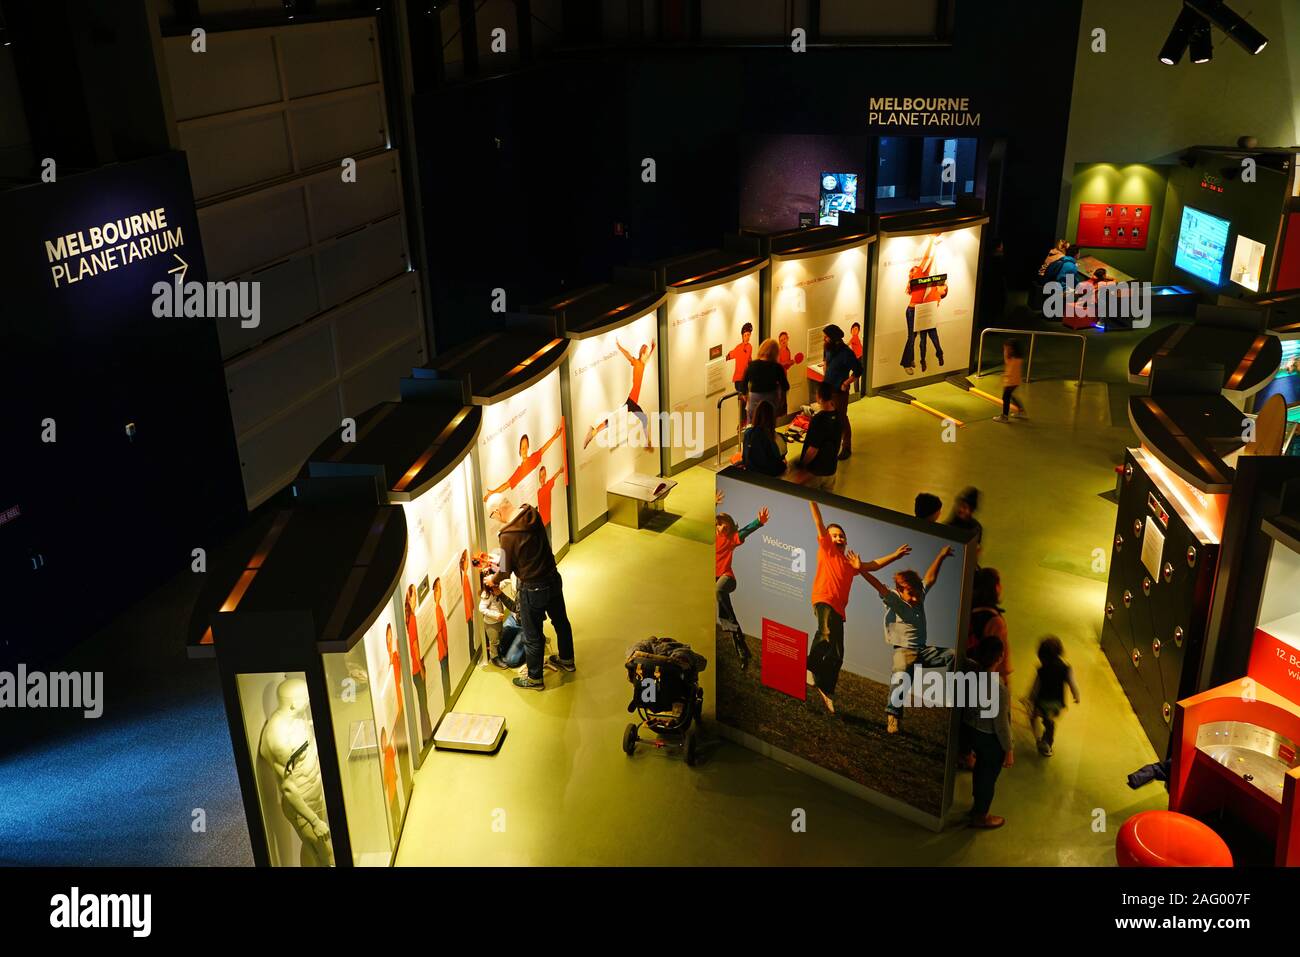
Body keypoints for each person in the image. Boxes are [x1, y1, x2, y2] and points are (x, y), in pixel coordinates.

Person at [807, 501, 912, 714]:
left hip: (839, 609)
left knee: (838, 653)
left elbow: (874, 565)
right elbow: (818, 522)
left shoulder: (850, 564)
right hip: (823, 599)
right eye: (834, 535)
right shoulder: (827, 550)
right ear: (828, 539)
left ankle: (827, 690)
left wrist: (895, 555)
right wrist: (812, 498)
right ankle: (811, 668)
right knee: (825, 633)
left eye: (841, 536)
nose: (838, 538)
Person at [859, 545, 956, 733]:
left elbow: (930, 578)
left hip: (923, 650)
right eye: (910, 594)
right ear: (900, 591)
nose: (915, 598)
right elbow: (878, 585)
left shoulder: (919, 595)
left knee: (953, 655)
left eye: (918, 594)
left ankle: (955, 696)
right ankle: (893, 716)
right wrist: (861, 569)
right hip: (903, 651)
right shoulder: (895, 600)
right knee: (901, 676)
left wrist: (941, 556)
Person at [485, 492, 575, 689]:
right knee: (561, 622)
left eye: (492, 516)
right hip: (552, 578)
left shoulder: (507, 535)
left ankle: (534, 679)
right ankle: (567, 660)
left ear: (498, 511)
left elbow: (505, 572)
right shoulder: (531, 512)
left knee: (532, 635)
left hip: (532, 589)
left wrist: (492, 578)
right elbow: (527, 551)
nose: (495, 519)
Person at [956, 567, 1010, 769]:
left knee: (965, 715)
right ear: (995, 588)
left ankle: (963, 752)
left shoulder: (967, 608)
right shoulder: (996, 621)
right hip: (984, 679)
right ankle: (970, 757)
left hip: (965, 672)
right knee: (985, 721)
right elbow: (999, 658)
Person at [963, 636, 1013, 829]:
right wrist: (1008, 750)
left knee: (979, 771)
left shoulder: (969, 670)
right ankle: (981, 815)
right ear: (1000, 657)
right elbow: (1001, 725)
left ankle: (976, 807)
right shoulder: (998, 689)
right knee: (988, 775)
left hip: (969, 729)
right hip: (988, 737)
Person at [715, 505, 769, 670]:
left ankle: (734, 630)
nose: (724, 527)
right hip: (715, 580)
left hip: (727, 579)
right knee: (728, 617)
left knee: (718, 590)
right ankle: (743, 652)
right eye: (721, 523)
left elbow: (745, 531)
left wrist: (758, 522)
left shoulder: (731, 539)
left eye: (727, 525)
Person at [583, 339, 656, 449]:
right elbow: (628, 356)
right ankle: (594, 432)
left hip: (632, 402)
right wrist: (619, 347)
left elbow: (648, 358)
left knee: (630, 419)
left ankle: (646, 442)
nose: (647, 357)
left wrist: (653, 349)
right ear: (642, 354)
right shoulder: (637, 363)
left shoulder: (643, 364)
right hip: (631, 401)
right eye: (646, 353)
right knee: (617, 420)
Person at [901, 234, 947, 375]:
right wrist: (931, 242)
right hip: (911, 311)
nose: (914, 269)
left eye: (914, 268)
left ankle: (910, 360)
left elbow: (930, 259)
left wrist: (934, 245)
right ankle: (906, 363)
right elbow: (927, 258)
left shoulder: (922, 272)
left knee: (916, 337)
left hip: (919, 310)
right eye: (912, 270)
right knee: (911, 337)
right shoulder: (916, 277)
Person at [1027, 635, 1080, 757]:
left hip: (1042, 702)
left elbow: (1035, 687)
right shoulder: (1066, 668)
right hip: (1057, 704)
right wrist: (1076, 695)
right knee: (1049, 718)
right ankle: (1047, 738)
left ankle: (1043, 741)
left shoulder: (1042, 670)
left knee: (1035, 717)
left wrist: (1030, 698)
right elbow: (1072, 683)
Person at [483, 425, 565, 501]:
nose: (524, 450)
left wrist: (555, 436)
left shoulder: (533, 459)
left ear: (528, 447)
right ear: (520, 450)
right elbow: (506, 485)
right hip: (526, 505)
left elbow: (544, 448)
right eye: (522, 448)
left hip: (537, 501)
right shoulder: (519, 471)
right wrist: (493, 492)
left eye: (526, 447)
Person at [821, 323, 862, 459]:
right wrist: (825, 373)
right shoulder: (827, 347)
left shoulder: (846, 353)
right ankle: (830, 446)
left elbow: (858, 370)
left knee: (841, 418)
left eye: (826, 337)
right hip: (827, 388)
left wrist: (846, 383)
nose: (824, 339)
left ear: (833, 338)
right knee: (828, 418)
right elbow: (825, 361)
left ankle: (846, 447)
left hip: (839, 391)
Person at [797, 381, 841, 490]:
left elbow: (813, 449)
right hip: (831, 468)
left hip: (816, 471)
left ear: (819, 397)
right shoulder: (839, 416)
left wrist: (802, 465)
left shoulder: (818, 420)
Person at [405, 583, 432, 742]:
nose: (416, 598)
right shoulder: (412, 619)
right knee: (423, 704)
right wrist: (421, 668)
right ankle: (426, 736)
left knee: (422, 704)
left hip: (414, 668)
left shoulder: (408, 619)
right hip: (417, 668)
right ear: (409, 599)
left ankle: (425, 735)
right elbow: (415, 646)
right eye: (414, 594)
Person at [742, 338, 790, 422]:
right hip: (771, 401)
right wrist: (781, 401)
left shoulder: (752, 365)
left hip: (754, 400)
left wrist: (745, 395)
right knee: (769, 425)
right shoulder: (777, 367)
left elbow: (744, 385)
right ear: (775, 352)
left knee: (752, 425)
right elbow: (785, 386)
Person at [741, 401, 787, 476]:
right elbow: (781, 455)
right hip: (767, 474)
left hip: (750, 470)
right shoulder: (774, 437)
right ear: (772, 418)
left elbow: (744, 456)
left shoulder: (748, 433)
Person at [727, 322, 754, 428]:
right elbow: (730, 355)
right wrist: (724, 358)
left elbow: (749, 359)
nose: (747, 337)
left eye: (749, 335)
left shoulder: (750, 347)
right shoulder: (738, 348)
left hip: (746, 378)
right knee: (743, 399)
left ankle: (744, 422)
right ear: (742, 336)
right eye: (746, 335)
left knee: (745, 399)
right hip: (738, 379)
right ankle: (742, 422)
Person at [993, 339, 1025, 423]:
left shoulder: (1013, 360)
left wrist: (1005, 377)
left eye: (1007, 349)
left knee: (1005, 397)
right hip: (1015, 381)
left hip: (1011, 382)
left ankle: (1004, 416)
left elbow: (1010, 371)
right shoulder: (1017, 358)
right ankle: (1021, 411)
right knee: (1010, 396)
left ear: (1012, 349)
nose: (1006, 351)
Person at [945, 486, 983, 551]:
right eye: (960, 505)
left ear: (972, 510)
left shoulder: (976, 529)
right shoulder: (946, 527)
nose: (961, 509)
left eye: (965, 507)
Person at [536, 462, 566, 545]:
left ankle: (550, 557)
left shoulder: (548, 486)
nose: (542, 477)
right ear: (539, 478)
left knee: (549, 542)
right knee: (542, 543)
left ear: (545, 476)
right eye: (541, 476)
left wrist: (560, 471)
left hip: (547, 521)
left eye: (544, 475)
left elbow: (554, 477)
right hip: (540, 523)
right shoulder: (538, 492)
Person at [431, 579, 450, 700]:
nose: (441, 590)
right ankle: (447, 697)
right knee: (445, 674)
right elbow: (438, 633)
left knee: (446, 673)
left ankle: (448, 695)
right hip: (442, 651)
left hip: (444, 648)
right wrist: (444, 650)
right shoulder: (437, 610)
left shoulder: (439, 609)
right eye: (438, 588)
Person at [849, 322, 865, 395]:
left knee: (856, 376)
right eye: (853, 329)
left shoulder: (854, 337)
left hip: (860, 358)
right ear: (851, 330)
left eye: (856, 329)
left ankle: (857, 394)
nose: (854, 331)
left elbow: (846, 345)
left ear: (858, 331)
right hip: (859, 358)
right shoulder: (855, 338)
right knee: (856, 376)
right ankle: (857, 393)